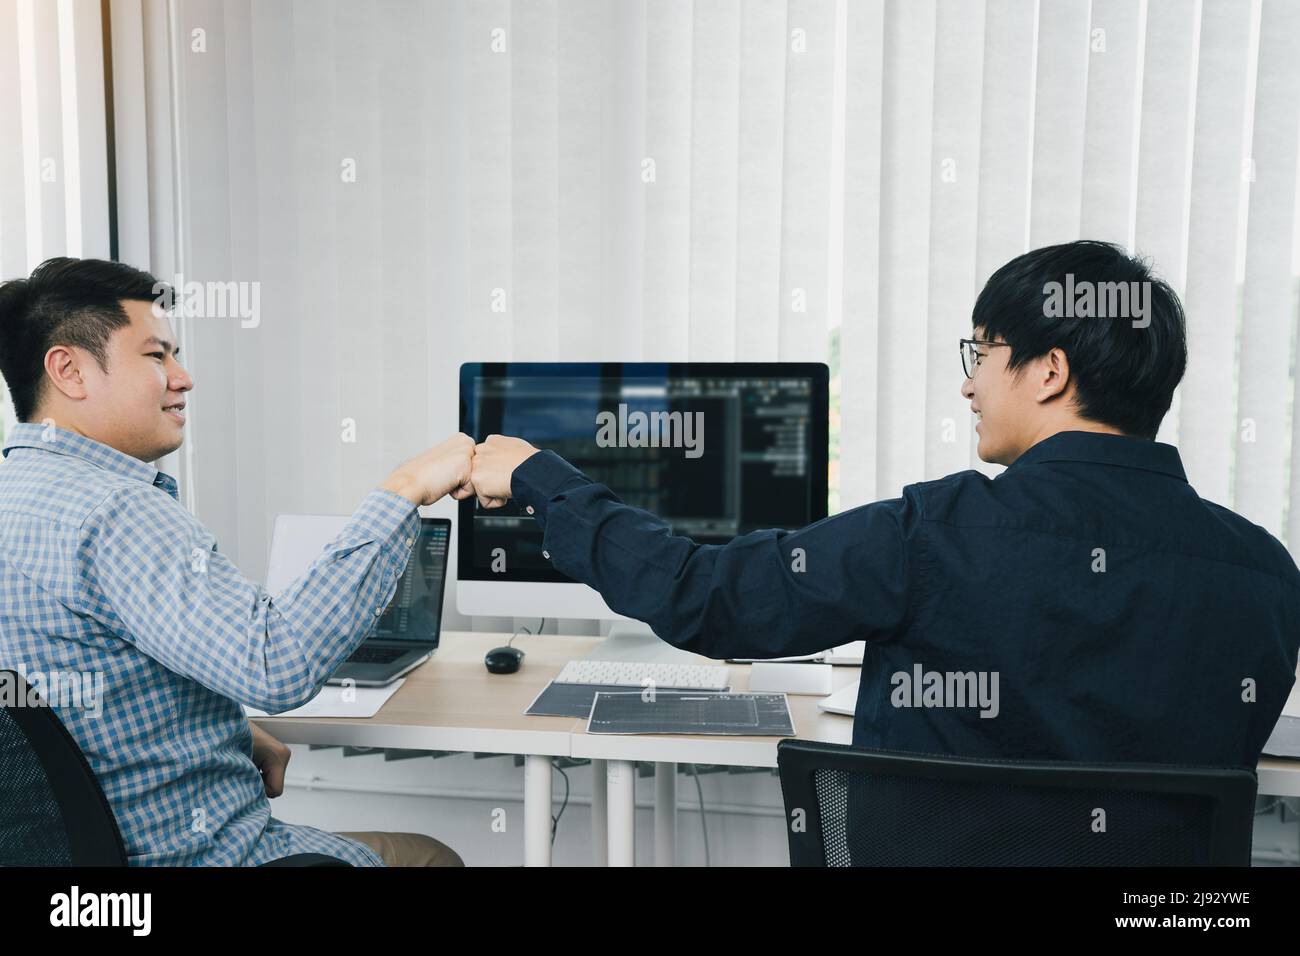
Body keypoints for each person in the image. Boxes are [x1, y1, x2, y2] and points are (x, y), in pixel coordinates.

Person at [470, 240, 1300, 770]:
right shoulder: (1267, 574)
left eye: (984, 352)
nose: (968, 381)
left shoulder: (935, 534)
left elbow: (706, 595)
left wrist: (542, 476)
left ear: (1048, 372)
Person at [0, 257, 468, 866]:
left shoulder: (19, 496)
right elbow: (277, 664)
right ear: (69, 369)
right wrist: (405, 489)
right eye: (156, 355)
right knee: (430, 858)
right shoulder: (113, 511)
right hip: (201, 856)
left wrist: (229, 733)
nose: (183, 377)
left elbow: (55, 695)